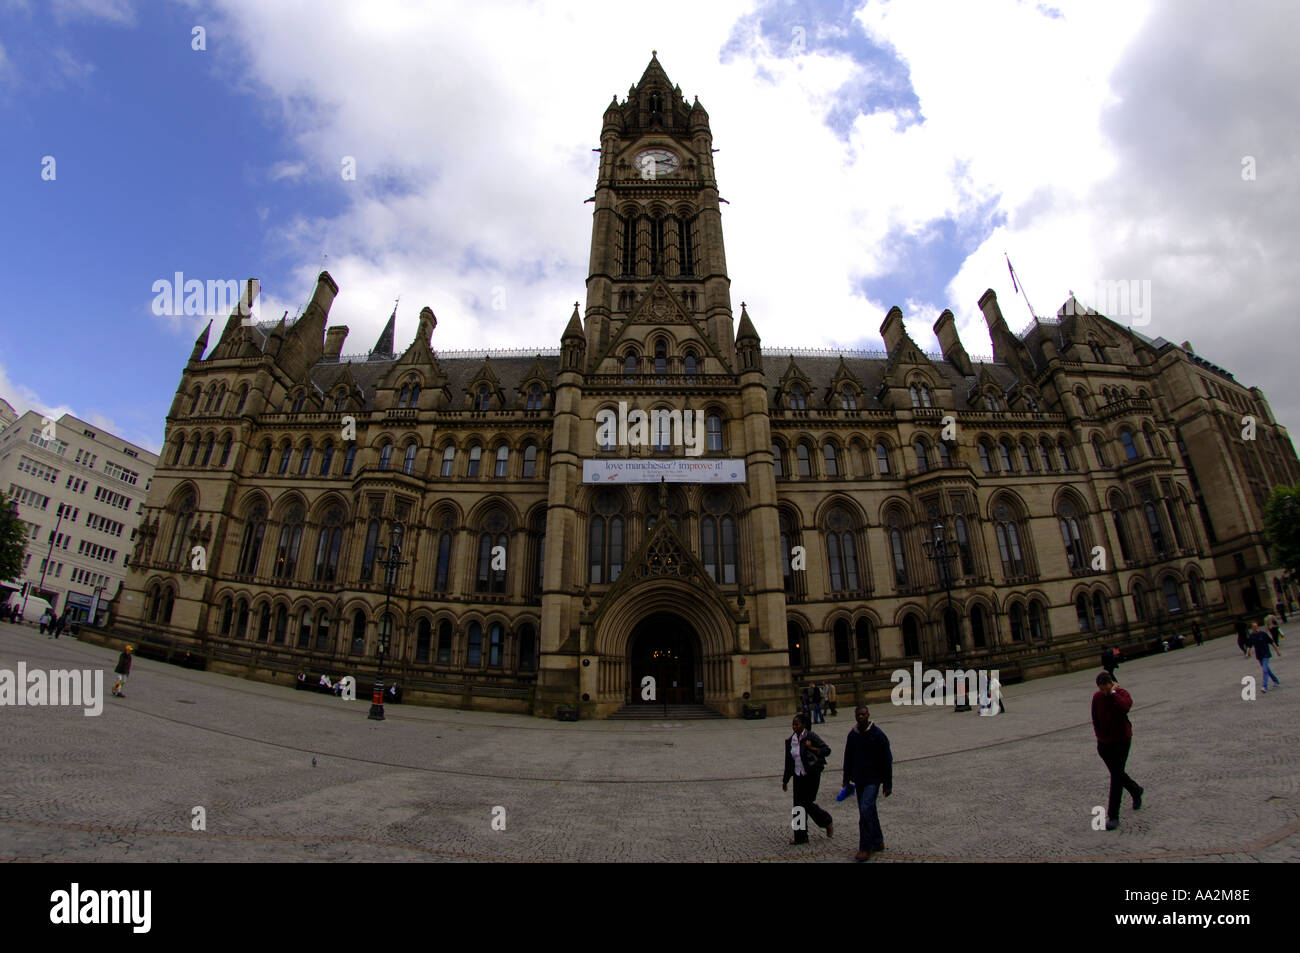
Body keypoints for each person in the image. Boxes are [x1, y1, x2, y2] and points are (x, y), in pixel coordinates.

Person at [1091, 672, 1143, 831]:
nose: (1104, 692)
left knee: (1116, 777)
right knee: (1118, 774)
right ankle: (1136, 790)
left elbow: (1125, 707)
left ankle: (1113, 815)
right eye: (1102, 690)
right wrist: (1099, 737)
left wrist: (1113, 693)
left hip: (1121, 741)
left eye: (1106, 689)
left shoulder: (1121, 694)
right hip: (1105, 743)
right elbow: (1095, 718)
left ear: (1111, 684)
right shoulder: (1097, 697)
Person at [842, 704, 892, 861]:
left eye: (863, 714)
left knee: (865, 809)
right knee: (869, 810)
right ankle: (878, 840)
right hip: (859, 779)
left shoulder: (878, 734)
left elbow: (887, 759)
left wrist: (888, 783)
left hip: (874, 779)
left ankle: (865, 846)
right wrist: (846, 779)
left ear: (868, 715)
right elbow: (847, 757)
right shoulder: (853, 735)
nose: (860, 717)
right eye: (858, 714)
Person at [781, 713, 833, 845]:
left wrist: (812, 748)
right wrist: (786, 780)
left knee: (807, 803)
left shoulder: (810, 736)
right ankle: (800, 837)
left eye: (797, 724)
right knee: (798, 806)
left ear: (803, 725)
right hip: (798, 775)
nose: (794, 727)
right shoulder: (790, 741)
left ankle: (826, 821)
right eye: (793, 724)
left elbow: (826, 750)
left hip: (811, 774)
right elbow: (789, 762)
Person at [1251, 622, 1281, 691]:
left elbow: (1271, 642)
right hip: (1259, 655)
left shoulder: (1263, 634)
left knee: (1265, 670)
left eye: (1256, 626)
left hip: (1266, 654)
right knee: (1267, 670)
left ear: (1257, 626)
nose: (1255, 628)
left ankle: (1264, 686)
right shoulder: (1252, 635)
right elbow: (1250, 645)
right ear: (1252, 628)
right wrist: (1248, 653)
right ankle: (1276, 681)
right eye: (1253, 627)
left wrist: (1277, 651)